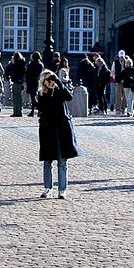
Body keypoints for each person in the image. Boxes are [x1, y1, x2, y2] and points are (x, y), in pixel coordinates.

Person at [35, 67, 78, 198]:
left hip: (62, 128)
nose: (51, 82)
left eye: (52, 79)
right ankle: (47, 188)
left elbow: (69, 97)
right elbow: (42, 107)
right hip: (48, 129)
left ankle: (62, 189)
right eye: (48, 80)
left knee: (62, 160)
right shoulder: (42, 94)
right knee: (47, 160)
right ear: (43, 81)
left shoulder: (60, 91)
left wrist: (58, 82)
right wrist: (47, 91)